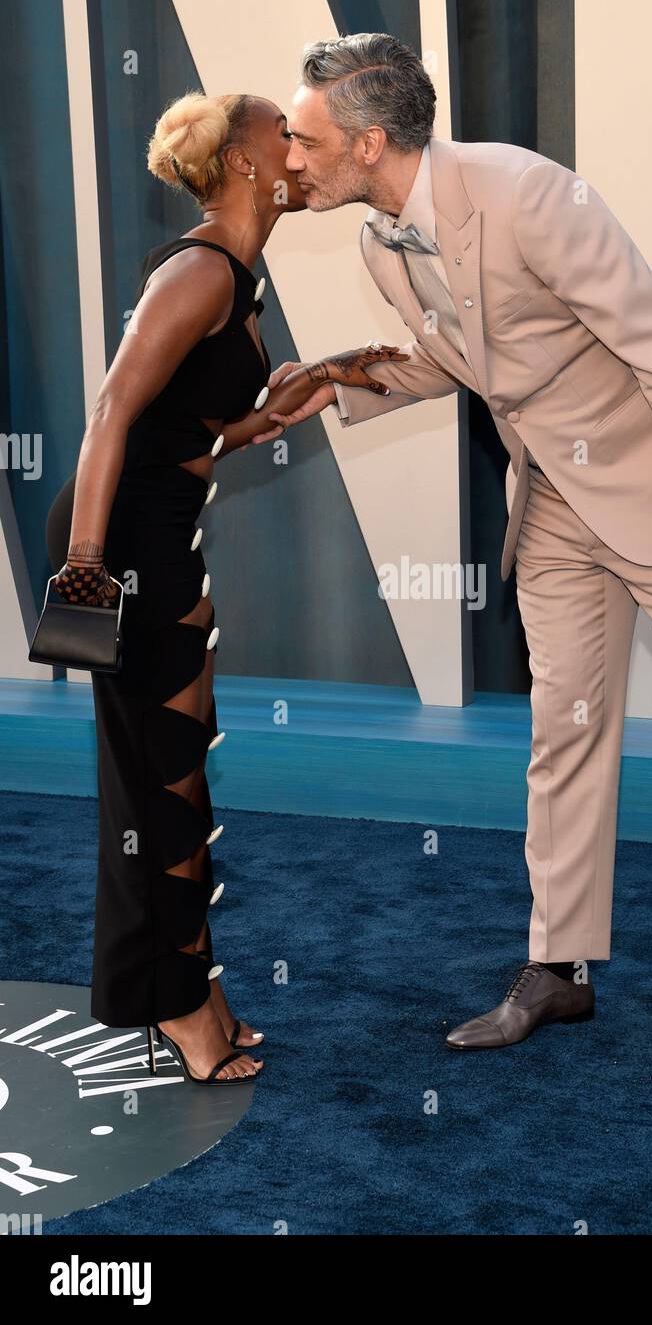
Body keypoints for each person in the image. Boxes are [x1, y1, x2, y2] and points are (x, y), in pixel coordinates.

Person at [259, 33, 652, 1080]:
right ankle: (560, 964)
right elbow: (460, 358)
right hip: (552, 510)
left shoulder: (524, 192)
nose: (288, 159)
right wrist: (335, 382)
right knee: (562, 737)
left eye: (303, 140)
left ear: (370, 139)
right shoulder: (379, 241)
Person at [45, 90, 404, 1084]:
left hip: (154, 526)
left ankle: (191, 986)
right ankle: (174, 1009)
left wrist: (309, 381)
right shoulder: (203, 270)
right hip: (118, 538)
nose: (298, 148)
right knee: (160, 779)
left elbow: (188, 427)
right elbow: (113, 409)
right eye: (278, 135)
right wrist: (84, 563)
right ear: (246, 165)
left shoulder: (238, 274)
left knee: (179, 767)